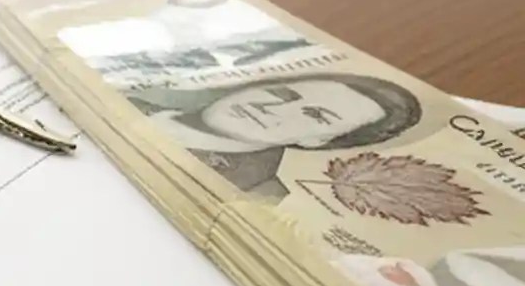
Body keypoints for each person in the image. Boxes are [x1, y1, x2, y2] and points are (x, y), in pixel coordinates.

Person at [125, 74, 423, 199]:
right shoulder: (127, 96)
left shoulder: (258, 195)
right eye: (284, 93)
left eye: (315, 115)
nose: (271, 107)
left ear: (317, 141)